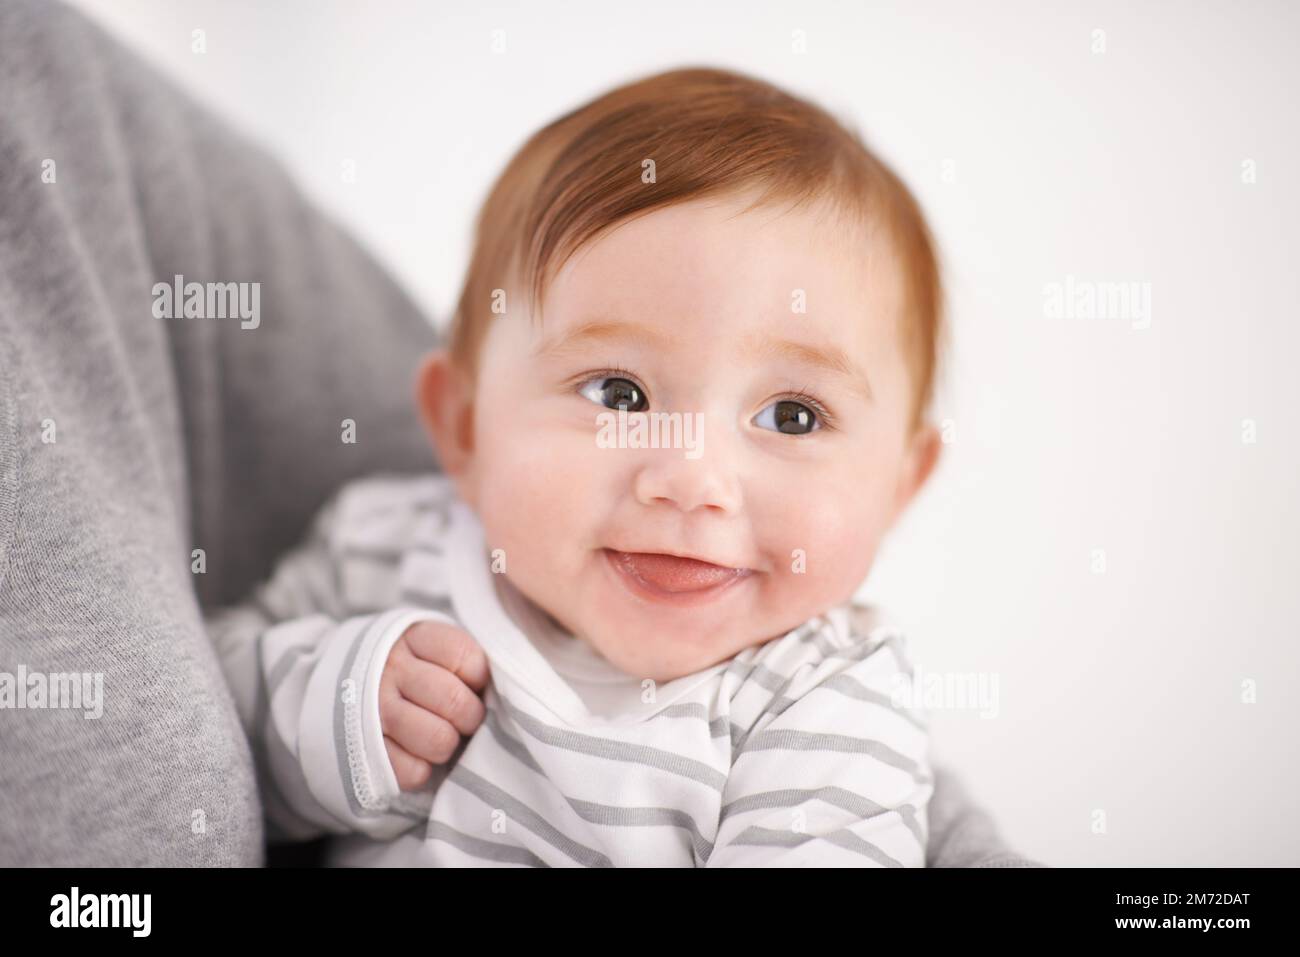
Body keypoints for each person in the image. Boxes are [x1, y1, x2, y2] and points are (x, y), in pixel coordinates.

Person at [0, 0, 1035, 867]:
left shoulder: (825, 699)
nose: (691, 478)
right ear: (460, 424)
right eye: (619, 393)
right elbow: (210, 702)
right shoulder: (387, 547)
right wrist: (341, 699)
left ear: (900, 486)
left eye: (792, 416)